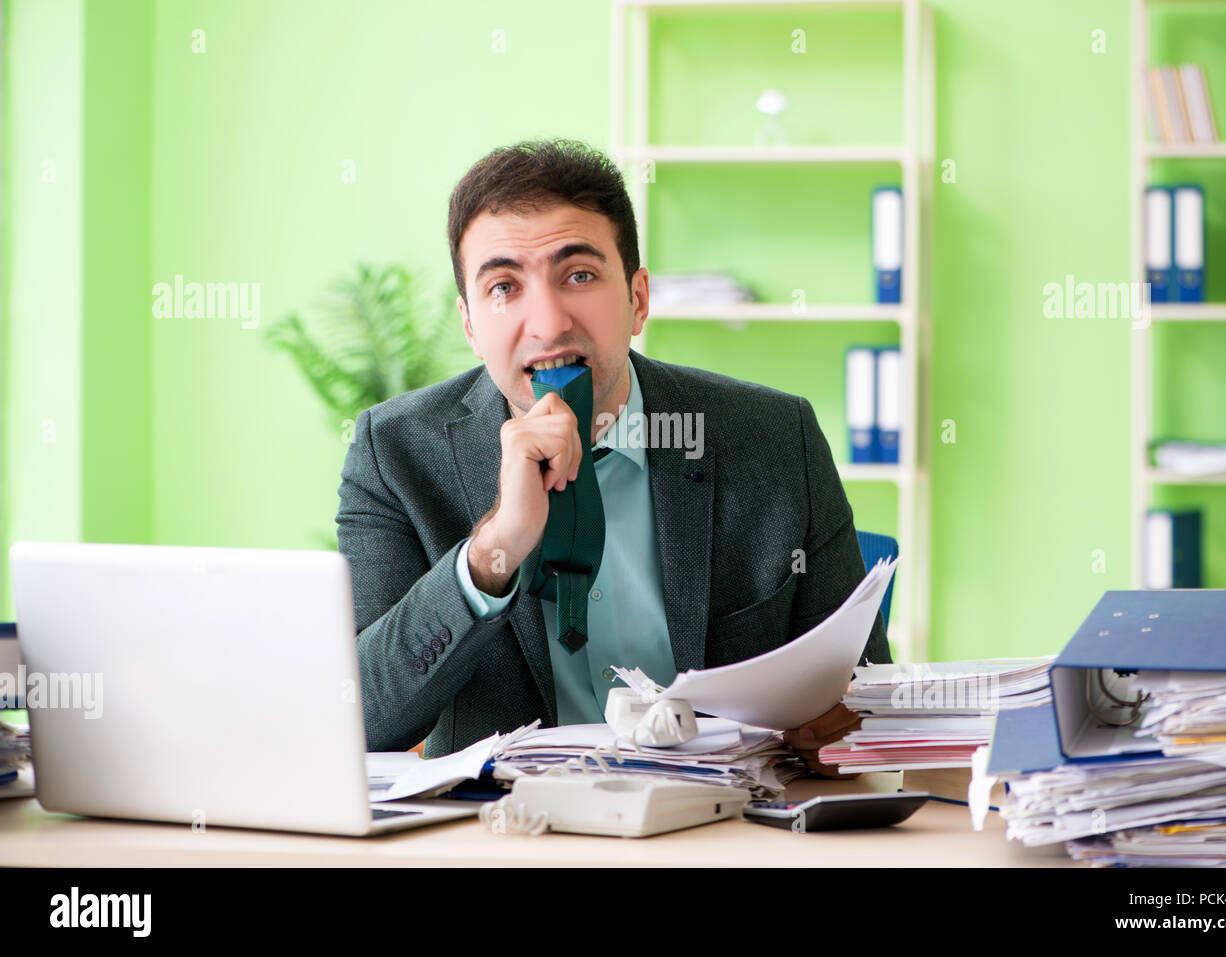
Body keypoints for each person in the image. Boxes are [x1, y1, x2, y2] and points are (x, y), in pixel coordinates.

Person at [336, 139, 891, 776]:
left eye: (578, 275)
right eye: (504, 286)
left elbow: (864, 698)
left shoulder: (773, 438)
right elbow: (358, 719)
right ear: (469, 323)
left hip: (717, 830)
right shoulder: (395, 452)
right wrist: (496, 549)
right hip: (507, 836)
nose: (547, 324)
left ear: (638, 299)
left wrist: (838, 732)